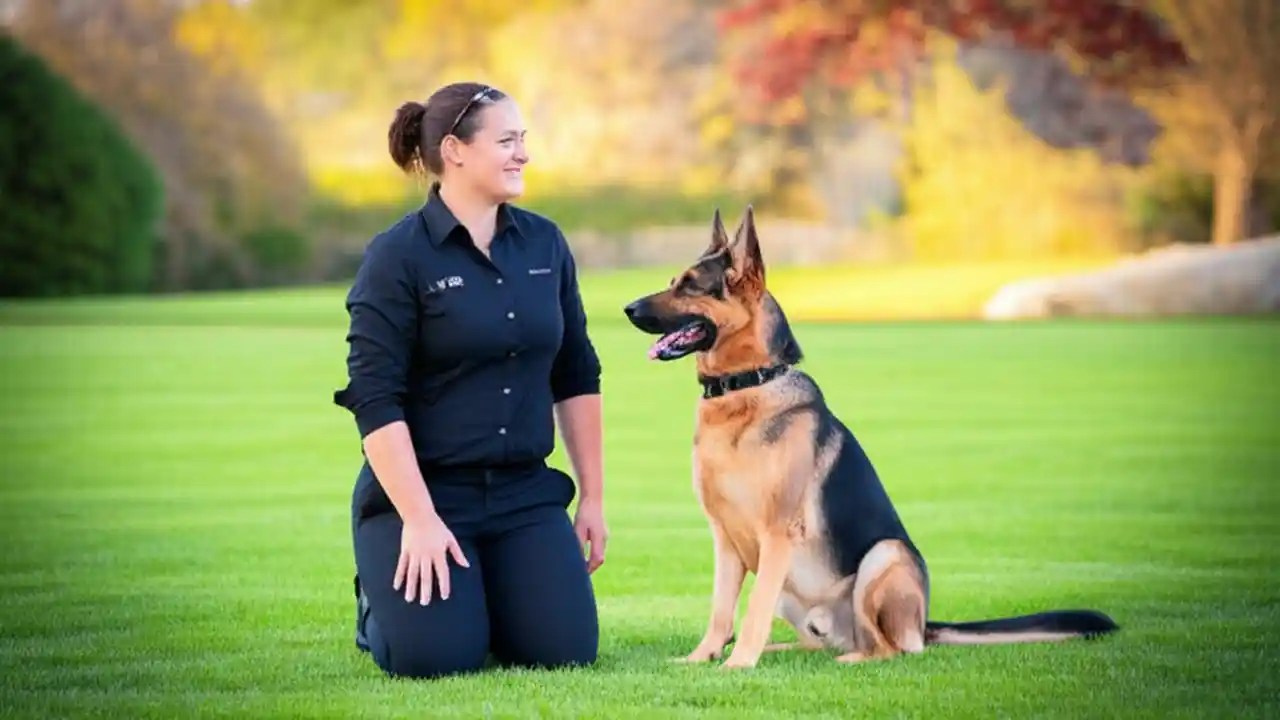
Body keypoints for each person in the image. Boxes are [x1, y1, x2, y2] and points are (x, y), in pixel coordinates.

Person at [332, 81, 607, 679]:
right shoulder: (396, 256)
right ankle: (377, 604)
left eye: (522, 139)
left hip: (523, 493)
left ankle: (489, 598)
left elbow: (576, 371)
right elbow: (375, 398)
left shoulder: (545, 243)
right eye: (507, 141)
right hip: (423, 494)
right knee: (436, 659)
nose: (523, 154)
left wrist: (593, 497)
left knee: (563, 652)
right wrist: (419, 519)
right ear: (454, 150)